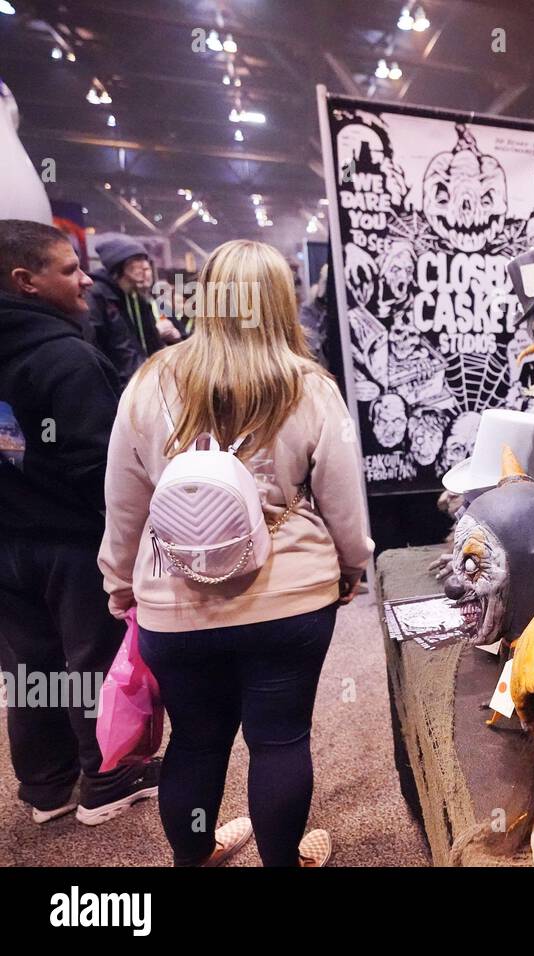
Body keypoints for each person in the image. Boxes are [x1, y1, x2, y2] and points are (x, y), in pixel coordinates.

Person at [98, 239, 373, 867]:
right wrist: (352, 564)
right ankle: (283, 861)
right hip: (290, 597)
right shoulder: (310, 386)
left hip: (174, 602)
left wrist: (118, 580)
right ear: (280, 301)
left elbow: (124, 501)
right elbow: (343, 499)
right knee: (280, 740)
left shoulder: (148, 381)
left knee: (195, 742)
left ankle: (194, 857)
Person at [0, 219, 161, 826]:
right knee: (92, 656)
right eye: (68, 269)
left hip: (7, 543)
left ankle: (47, 786)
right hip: (71, 541)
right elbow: (104, 470)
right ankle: (108, 776)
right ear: (26, 281)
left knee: (30, 666)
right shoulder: (66, 358)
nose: (85, 279)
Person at [86, 235, 165, 386]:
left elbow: (151, 340)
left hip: (143, 381)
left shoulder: (136, 297)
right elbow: (103, 345)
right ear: (118, 264)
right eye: (136, 259)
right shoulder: (98, 296)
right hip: (120, 386)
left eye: (145, 259)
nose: (144, 266)